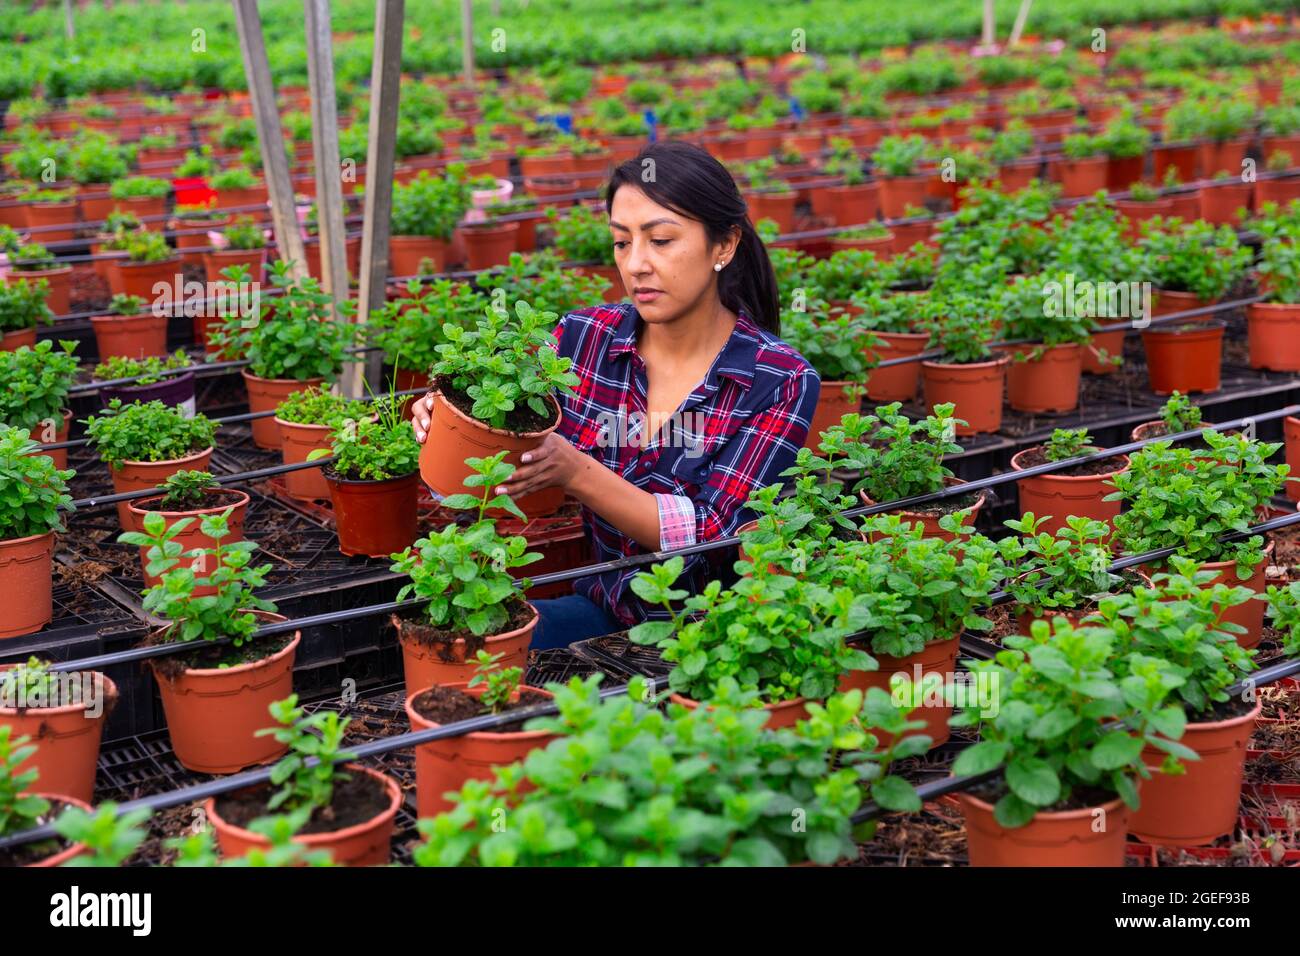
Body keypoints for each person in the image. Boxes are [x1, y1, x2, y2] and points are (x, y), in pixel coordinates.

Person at [412, 140, 820, 649]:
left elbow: (716, 535)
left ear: (724, 246)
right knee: (462, 645)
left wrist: (576, 473)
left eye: (662, 240)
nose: (637, 265)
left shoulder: (777, 378)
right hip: (608, 607)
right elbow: (501, 431)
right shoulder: (584, 338)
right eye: (622, 242)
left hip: (718, 632)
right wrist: (449, 417)